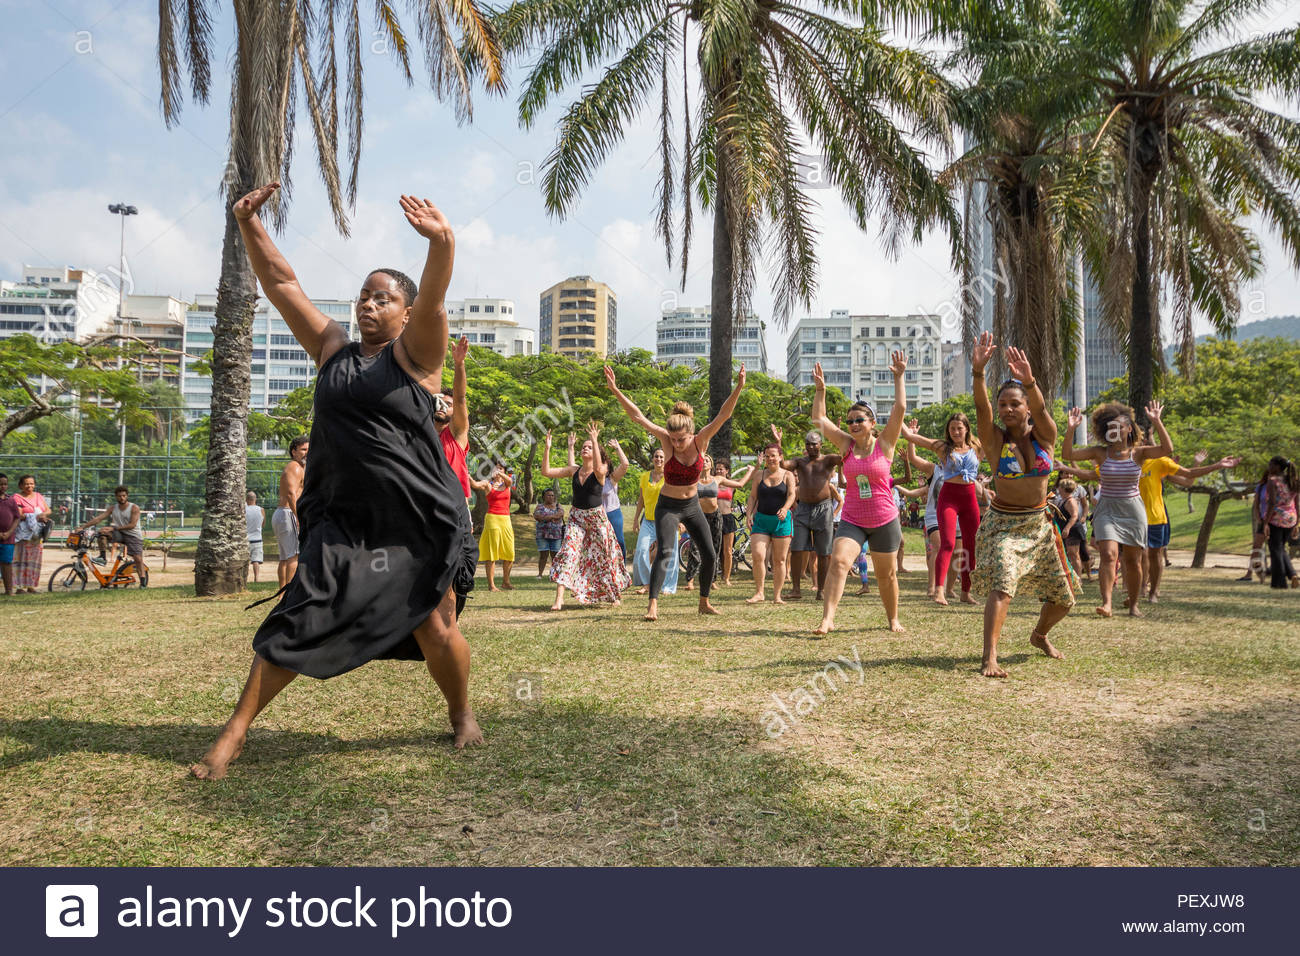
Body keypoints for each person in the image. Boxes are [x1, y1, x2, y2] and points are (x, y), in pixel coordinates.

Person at [191, 183, 483, 782]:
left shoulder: (416, 356)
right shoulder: (332, 350)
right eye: (363, 297)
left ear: (403, 313)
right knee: (298, 613)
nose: (369, 305)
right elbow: (282, 285)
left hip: (416, 518)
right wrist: (249, 224)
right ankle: (234, 733)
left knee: (434, 623)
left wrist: (443, 241)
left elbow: (434, 299)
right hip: (342, 519)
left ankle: (460, 712)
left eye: (384, 298)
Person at [968, 334, 1079, 677]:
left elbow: (1044, 410)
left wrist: (1029, 381)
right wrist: (977, 373)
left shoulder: (1045, 435)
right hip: (1003, 524)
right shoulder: (994, 440)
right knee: (1004, 583)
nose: (1007, 409)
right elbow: (982, 411)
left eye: (1015, 403)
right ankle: (990, 657)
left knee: (1066, 599)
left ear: (1027, 406)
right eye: (1003, 405)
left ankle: (1039, 635)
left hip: (1040, 526)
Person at [605, 364, 746, 621]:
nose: (676, 444)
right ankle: (653, 606)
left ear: (691, 434)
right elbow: (637, 416)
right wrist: (615, 390)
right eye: (672, 439)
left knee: (710, 553)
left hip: (692, 505)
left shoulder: (701, 440)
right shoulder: (666, 441)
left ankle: (704, 602)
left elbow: (723, 416)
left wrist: (738, 388)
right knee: (666, 551)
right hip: (668, 506)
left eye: (681, 439)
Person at [810, 354, 908, 636]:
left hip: (884, 519)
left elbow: (900, 407)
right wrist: (821, 390)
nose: (853, 424)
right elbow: (819, 418)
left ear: (872, 423)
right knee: (839, 562)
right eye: (850, 420)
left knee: (886, 576)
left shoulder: (885, 443)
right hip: (853, 517)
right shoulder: (845, 445)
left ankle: (892, 619)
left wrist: (899, 377)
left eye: (859, 420)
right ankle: (828, 619)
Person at [1063, 400, 1172, 618]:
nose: (1115, 430)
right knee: (1108, 554)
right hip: (1107, 510)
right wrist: (1071, 429)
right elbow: (1068, 455)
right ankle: (1107, 603)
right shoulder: (1100, 453)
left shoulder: (1139, 453)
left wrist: (1157, 421)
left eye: (1119, 426)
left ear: (1129, 428)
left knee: (1133, 560)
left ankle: (1133, 605)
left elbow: (1167, 449)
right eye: (1111, 427)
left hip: (1133, 510)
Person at [541, 423, 630, 609]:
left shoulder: (601, 471)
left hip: (597, 518)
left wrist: (595, 440)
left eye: (589, 447)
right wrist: (547, 449)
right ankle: (559, 599)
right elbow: (546, 472)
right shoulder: (574, 470)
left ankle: (614, 595)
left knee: (605, 555)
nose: (585, 448)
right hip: (577, 519)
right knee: (568, 552)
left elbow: (598, 466)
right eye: (584, 447)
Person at [1137, 440, 1240, 602]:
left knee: (1153, 554)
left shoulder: (1159, 462)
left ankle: (1153, 590)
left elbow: (1188, 479)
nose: (1141, 447)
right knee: (1139, 554)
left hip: (1154, 516)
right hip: (1133, 518)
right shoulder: (1125, 462)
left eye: (1144, 443)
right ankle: (1140, 587)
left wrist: (1199, 464)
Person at [902, 414, 983, 606]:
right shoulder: (943, 448)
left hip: (969, 498)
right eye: (952, 428)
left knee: (971, 547)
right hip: (949, 498)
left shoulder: (977, 446)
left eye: (959, 428)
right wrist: (899, 416)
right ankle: (939, 590)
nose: (955, 432)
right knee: (947, 543)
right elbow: (911, 438)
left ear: (966, 429)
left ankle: (965, 592)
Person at [768, 427, 844, 602]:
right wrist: (778, 442)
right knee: (796, 549)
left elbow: (844, 457)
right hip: (803, 509)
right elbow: (783, 465)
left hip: (824, 509)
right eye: (808, 444)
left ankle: (821, 590)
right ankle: (796, 589)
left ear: (820, 445)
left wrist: (838, 433)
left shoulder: (828, 460)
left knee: (824, 552)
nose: (810, 447)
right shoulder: (800, 462)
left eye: (814, 444)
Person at [745, 443, 798, 604]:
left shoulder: (788, 475)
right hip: (761, 520)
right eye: (767, 456)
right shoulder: (759, 475)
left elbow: (791, 495)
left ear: (780, 457)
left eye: (773, 455)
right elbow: (753, 496)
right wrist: (749, 514)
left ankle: (777, 596)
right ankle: (759, 592)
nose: (770, 459)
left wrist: (785, 508)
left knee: (779, 560)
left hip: (782, 521)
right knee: (757, 555)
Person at [76, 486, 147, 586]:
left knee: (138, 559)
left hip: (133, 535)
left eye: (124, 495)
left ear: (127, 496)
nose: (122, 498)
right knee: (102, 531)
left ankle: (143, 581)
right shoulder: (113, 508)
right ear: (116, 497)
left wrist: (114, 528)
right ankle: (103, 557)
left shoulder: (134, 508)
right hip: (120, 533)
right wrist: (82, 527)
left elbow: (132, 525)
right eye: (119, 496)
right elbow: (98, 519)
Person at [631, 449, 676, 595]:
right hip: (648, 520)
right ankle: (647, 583)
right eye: (656, 456)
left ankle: (667, 586)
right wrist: (636, 519)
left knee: (670, 553)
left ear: (666, 459)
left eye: (662, 457)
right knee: (642, 550)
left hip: (667, 520)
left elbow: (678, 498)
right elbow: (641, 499)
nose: (659, 459)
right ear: (652, 459)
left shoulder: (671, 476)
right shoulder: (645, 476)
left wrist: (680, 520)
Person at [436, 335, 472, 507]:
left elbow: (459, 399)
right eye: (439, 402)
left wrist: (459, 365)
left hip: (454, 508)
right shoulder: (421, 434)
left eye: (447, 404)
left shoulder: (456, 433)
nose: (442, 406)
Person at [682, 455, 725, 592]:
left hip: (715, 517)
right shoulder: (694, 481)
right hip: (698, 517)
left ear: (711, 465)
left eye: (707, 460)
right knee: (694, 548)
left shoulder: (717, 479)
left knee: (714, 549)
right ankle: (690, 580)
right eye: (702, 460)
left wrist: (755, 469)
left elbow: (741, 484)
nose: (704, 462)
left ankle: (712, 580)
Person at [272, 435, 309, 588]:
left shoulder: (300, 467)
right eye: (303, 449)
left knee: (285, 558)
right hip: (288, 513)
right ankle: (290, 593)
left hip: (283, 513)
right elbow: (290, 494)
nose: (307, 452)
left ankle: (282, 593)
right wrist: (298, 515)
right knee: (294, 556)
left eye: (309, 449)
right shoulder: (294, 467)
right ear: (294, 451)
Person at [471, 465, 515, 591]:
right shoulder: (488, 484)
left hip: (506, 519)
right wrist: (467, 476)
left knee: (509, 552)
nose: (496, 471)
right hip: (492, 519)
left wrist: (500, 474)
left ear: (504, 472)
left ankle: (506, 582)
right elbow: (475, 484)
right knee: (492, 553)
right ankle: (492, 585)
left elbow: (510, 481)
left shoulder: (507, 484)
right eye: (495, 469)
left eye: (500, 468)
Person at [1260, 455, 1299, 590]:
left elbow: (1272, 502)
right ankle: (1292, 574)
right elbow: (1297, 502)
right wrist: (1298, 521)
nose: (1269, 467)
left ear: (1277, 467)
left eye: (1271, 465)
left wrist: (1265, 522)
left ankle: (1279, 582)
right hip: (1291, 518)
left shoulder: (1273, 480)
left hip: (1276, 518)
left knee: (1275, 549)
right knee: (1280, 547)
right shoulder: (1293, 480)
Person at [714, 461, 753, 587]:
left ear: (727, 471)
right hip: (714, 518)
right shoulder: (712, 482)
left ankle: (726, 578)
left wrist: (753, 468)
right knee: (714, 550)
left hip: (728, 519)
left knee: (728, 551)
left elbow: (745, 480)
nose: (719, 471)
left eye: (721, 469)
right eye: (717, 469)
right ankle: (712, 577)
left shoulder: (731, 484)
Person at [12, 475, 51, 594]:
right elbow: (19, 514)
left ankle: (31, 586)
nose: (29, 486)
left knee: (34, 561)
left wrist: (43, 515)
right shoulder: (17, 497)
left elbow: (48, 510)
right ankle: (19, 587)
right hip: (23, 535)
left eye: (32, 483)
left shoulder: (38, 496)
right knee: (20, 559)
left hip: (36, 535)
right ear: (21, 485)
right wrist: (33, 516)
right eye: (26, 484)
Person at [1051, 477, 1087, 582]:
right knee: (1068, 554)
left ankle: (1078, 579)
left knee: (1074, 554)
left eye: (1060, 487)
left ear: (1064, 488)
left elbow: (1074, 516)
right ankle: (1070, 577)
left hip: (1073, 531)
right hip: (1065, 530)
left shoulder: (1071, 501)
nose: (1059, 489)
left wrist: (1067, 528)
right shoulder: (1064, 500)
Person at [601, 438, 630, 559]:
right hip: (598, 515)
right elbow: (572, 469)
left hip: (613, 513)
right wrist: (571, 448)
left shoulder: (612, 479)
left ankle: (621, 569)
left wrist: (618, 448)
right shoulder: (590, 480)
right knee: (601, 545)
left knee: (618, 542)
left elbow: (625, 465)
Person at [532, 488, 565, 576]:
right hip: (542, 535)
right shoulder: (540, 506)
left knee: (555, 555)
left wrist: (546, 517)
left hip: (556, 535)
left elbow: (560, 514)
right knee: (543, 555)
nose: (551, 497)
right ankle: (540, 574)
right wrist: (553, 517)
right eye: (548, 495)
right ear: (543, 497)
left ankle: (555, 574)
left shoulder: (558, 505)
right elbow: (538, 516)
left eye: (552, 495)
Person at [0, 474, 20, 596]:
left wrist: (8, 533)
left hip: (8, 539)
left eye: (5, 484)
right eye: (0, 484)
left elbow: (17, 518)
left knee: (7, 563)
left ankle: (9, 590)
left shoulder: (11, 500)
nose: (3, 486)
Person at [245, 491, 266, 583]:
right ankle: (256, 578)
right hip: (257, 538)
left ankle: (244, 579)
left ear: (246, 499)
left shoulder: (244, 509)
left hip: (245, 539)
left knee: (244, 562)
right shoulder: (261, 509)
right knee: (256, 561)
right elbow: (263, 524)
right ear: (255, 499)